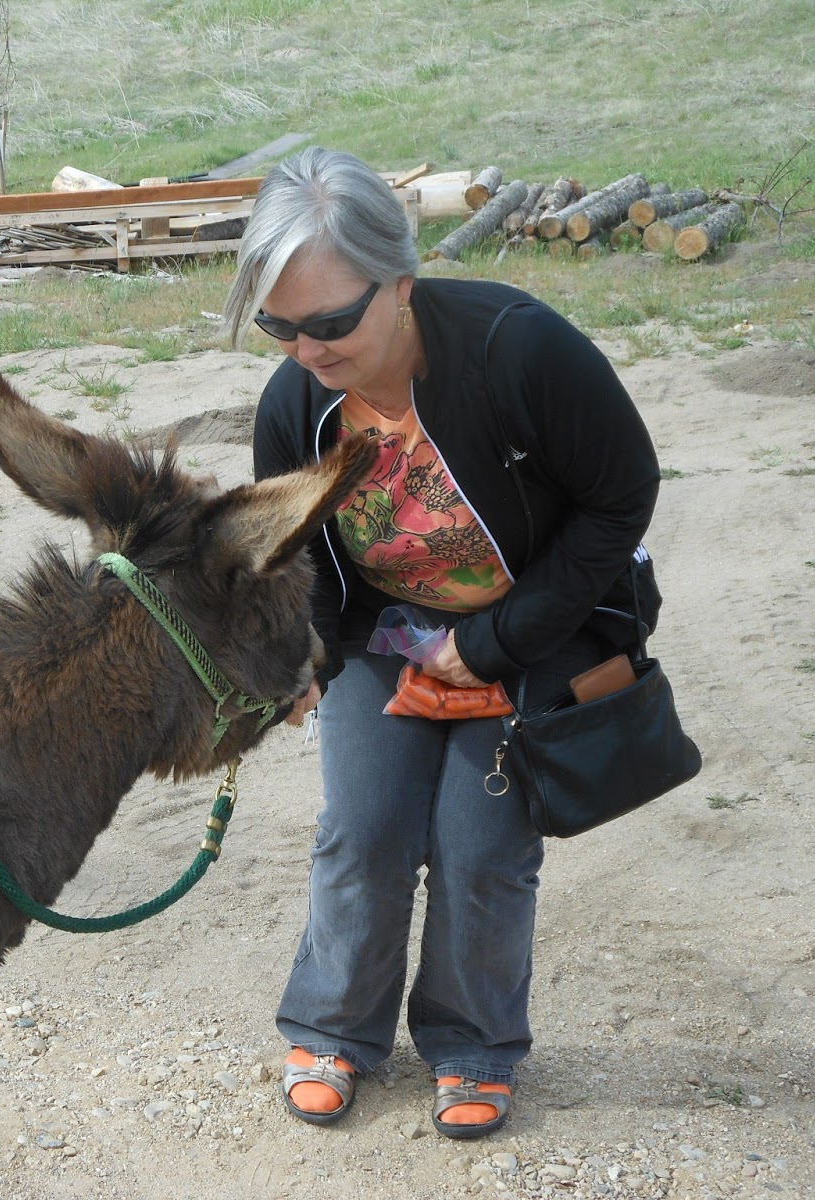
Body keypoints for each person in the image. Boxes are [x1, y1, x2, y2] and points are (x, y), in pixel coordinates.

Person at [225, 149, 661, 1138]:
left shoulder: (522, 350)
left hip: (537, 622)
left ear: (401, 282)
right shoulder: (294, 405)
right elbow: (297, 557)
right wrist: (302, 658)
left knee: (480, 843)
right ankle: (334, 1028)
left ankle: (472, 1042)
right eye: (279, 326)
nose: (306, 350)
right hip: (383, 632)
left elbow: (621, 495)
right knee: (364, 828)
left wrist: (499, 641)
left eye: (331, 321)